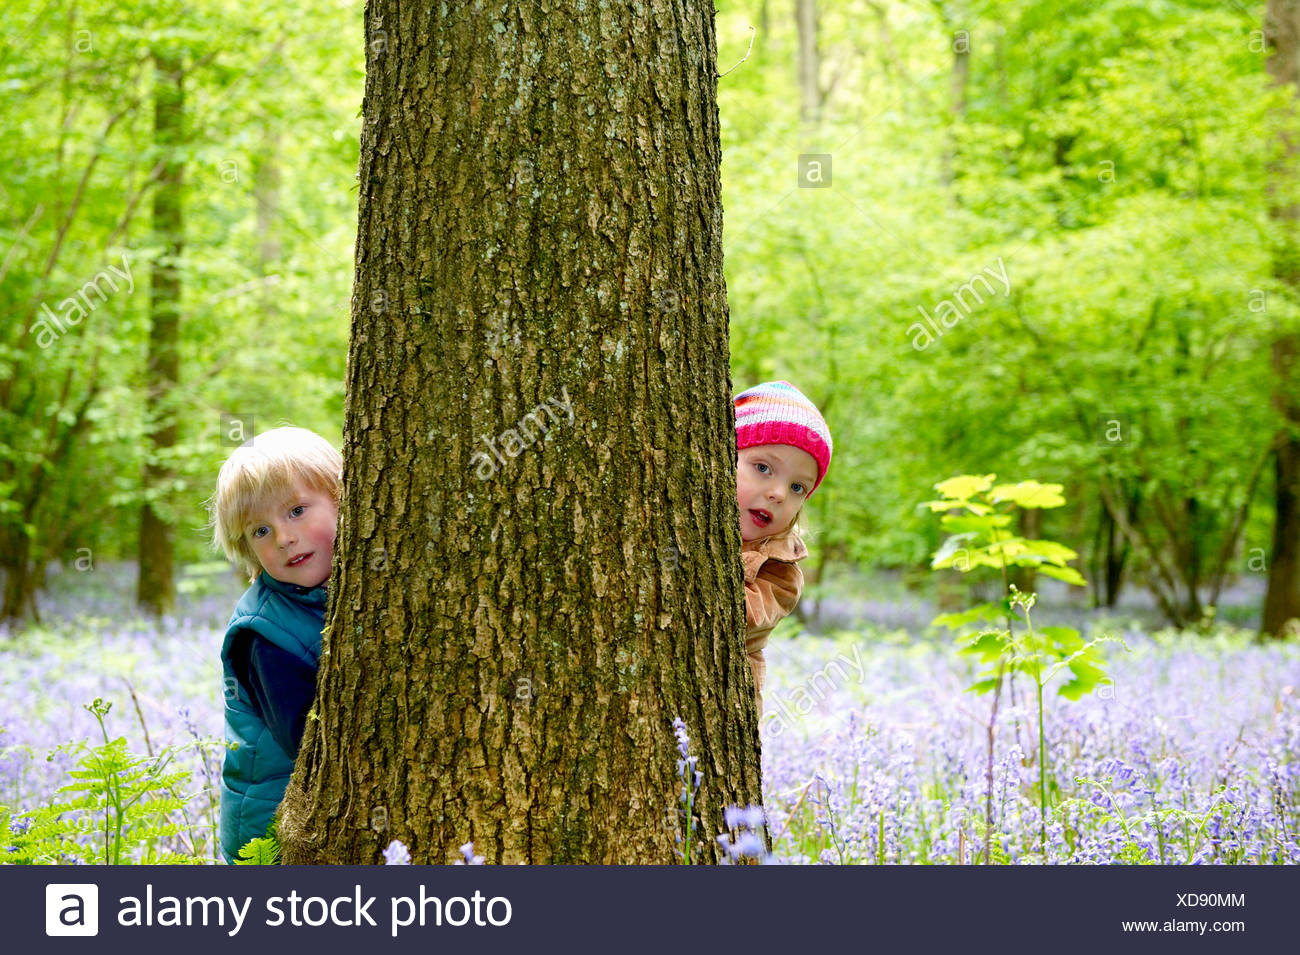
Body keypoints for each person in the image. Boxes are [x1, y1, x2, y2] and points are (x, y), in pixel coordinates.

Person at [207, 426, 342, 862]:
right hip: (270, 844)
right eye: (260, 530)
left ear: (341, 499)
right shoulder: (263, 636)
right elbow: (314, 748)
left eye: (297, 510)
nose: (284, 537)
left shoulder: (329, 594)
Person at [734, 381, 833, 719]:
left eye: (797, 487)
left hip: (725, 702)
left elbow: (742, 615)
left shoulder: (782, 572)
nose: (778, 493)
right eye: (763, 468)